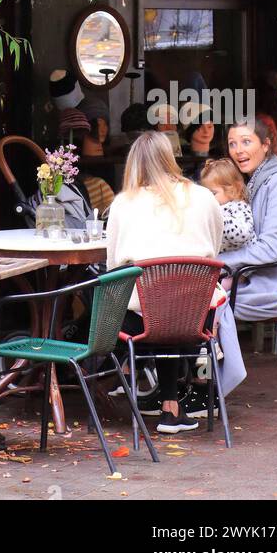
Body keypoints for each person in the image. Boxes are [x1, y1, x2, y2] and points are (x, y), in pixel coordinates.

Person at [106, 133, 225, 434]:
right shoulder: (203, 197)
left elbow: (112, 270)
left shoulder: (123, 204)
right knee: (173, 301)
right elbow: (215, 247)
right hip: (198, 321)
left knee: (141, 304)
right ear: (172, 158)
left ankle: (100, 380)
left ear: (132, 164)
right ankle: (172, 406)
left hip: (143, 327)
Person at [222, 117, 277, 322]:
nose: (238, 150)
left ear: (266, 145)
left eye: (246, 141)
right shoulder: (256, 182)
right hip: (254, 279)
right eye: (232, 144)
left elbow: (272, 248)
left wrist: (218, 262)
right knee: (190, 298)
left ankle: (216, 356)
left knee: (197, 306)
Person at [200, 157, 255, 251]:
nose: (209, 198)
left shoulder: (239, 207)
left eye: (213, 193)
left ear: (233, 190)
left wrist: (218, 219)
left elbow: (243, 234)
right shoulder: (216, 207)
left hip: (240, 260)